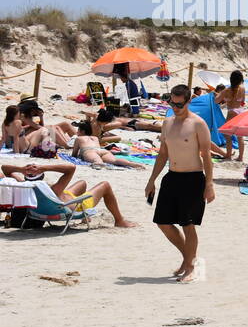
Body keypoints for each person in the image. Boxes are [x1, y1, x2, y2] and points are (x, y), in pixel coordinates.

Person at [146, 85, 215, 282]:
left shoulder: (198, 124)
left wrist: (209, 184)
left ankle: (191, 267)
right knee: (163, 222)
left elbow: (206, 156)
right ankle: (187, 258)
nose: (175, 107)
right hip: (172, 177)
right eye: (172, 103)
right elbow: (162, 154)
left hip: (193, 179)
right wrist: (152, 180)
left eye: (179, 104)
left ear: (188, 101)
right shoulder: (167, 123)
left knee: (188, 224)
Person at [1, 160, 138, 227]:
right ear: (42, 176)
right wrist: (44, 167)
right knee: (105, 185)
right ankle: (120, 221)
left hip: (52, 201)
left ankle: (86, 219)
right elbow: (71, 168)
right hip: (71, 205)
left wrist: (21, 169)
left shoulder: (23, 185)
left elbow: (5, 169)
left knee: (82, 183)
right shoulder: (54, 189)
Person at [70, 121, 145, 168]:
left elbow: (74, 154)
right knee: (115, 160)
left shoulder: (78, 139)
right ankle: (130, 164)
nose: (77, 132)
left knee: (97, 160)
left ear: (82, 131)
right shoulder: (95, 137)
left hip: (89, 151)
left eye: (78, 131)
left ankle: (99, 163)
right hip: (101, 151)